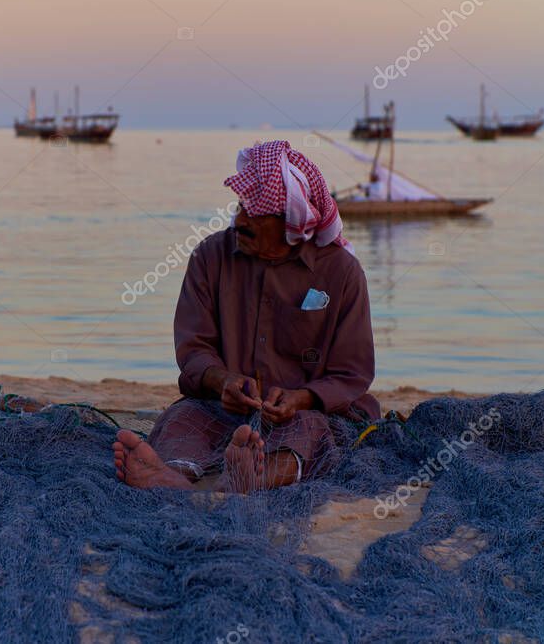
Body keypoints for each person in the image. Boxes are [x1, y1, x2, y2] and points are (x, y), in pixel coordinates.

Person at [113, 140, 379, 493]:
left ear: (291, 223)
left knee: (312, 432)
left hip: (306, 413)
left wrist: (300, 399)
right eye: (240, 207)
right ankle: (173, 475)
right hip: (221, 409)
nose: (240, 220)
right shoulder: (210, 257)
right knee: (183, 418)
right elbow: (193, 348)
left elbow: (352, 372)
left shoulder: (342, 272)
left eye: (253, 214)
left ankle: (256, 476)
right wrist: (222, 381)